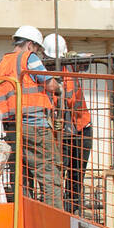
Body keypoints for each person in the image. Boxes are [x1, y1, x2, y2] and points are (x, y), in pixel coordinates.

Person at [0, 27, 63, 209]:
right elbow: (49, 85)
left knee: (21, 175)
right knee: (49, 174)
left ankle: (24, 219)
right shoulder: (29, 58)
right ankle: (54, 218)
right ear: (31, 45)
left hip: (11, 127)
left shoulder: (2, 64)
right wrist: (59, 86)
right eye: (38, 49)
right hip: (35, 125)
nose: (38, 53)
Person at [43, 33, 92, 216]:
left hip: (81, 127)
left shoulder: (71, 66)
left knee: (77, 174)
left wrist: (75, 57)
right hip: (60, 132)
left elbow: (88, 59)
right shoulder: (43, 74)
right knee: (58, 172)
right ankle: (58, 211)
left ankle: (72, 211)